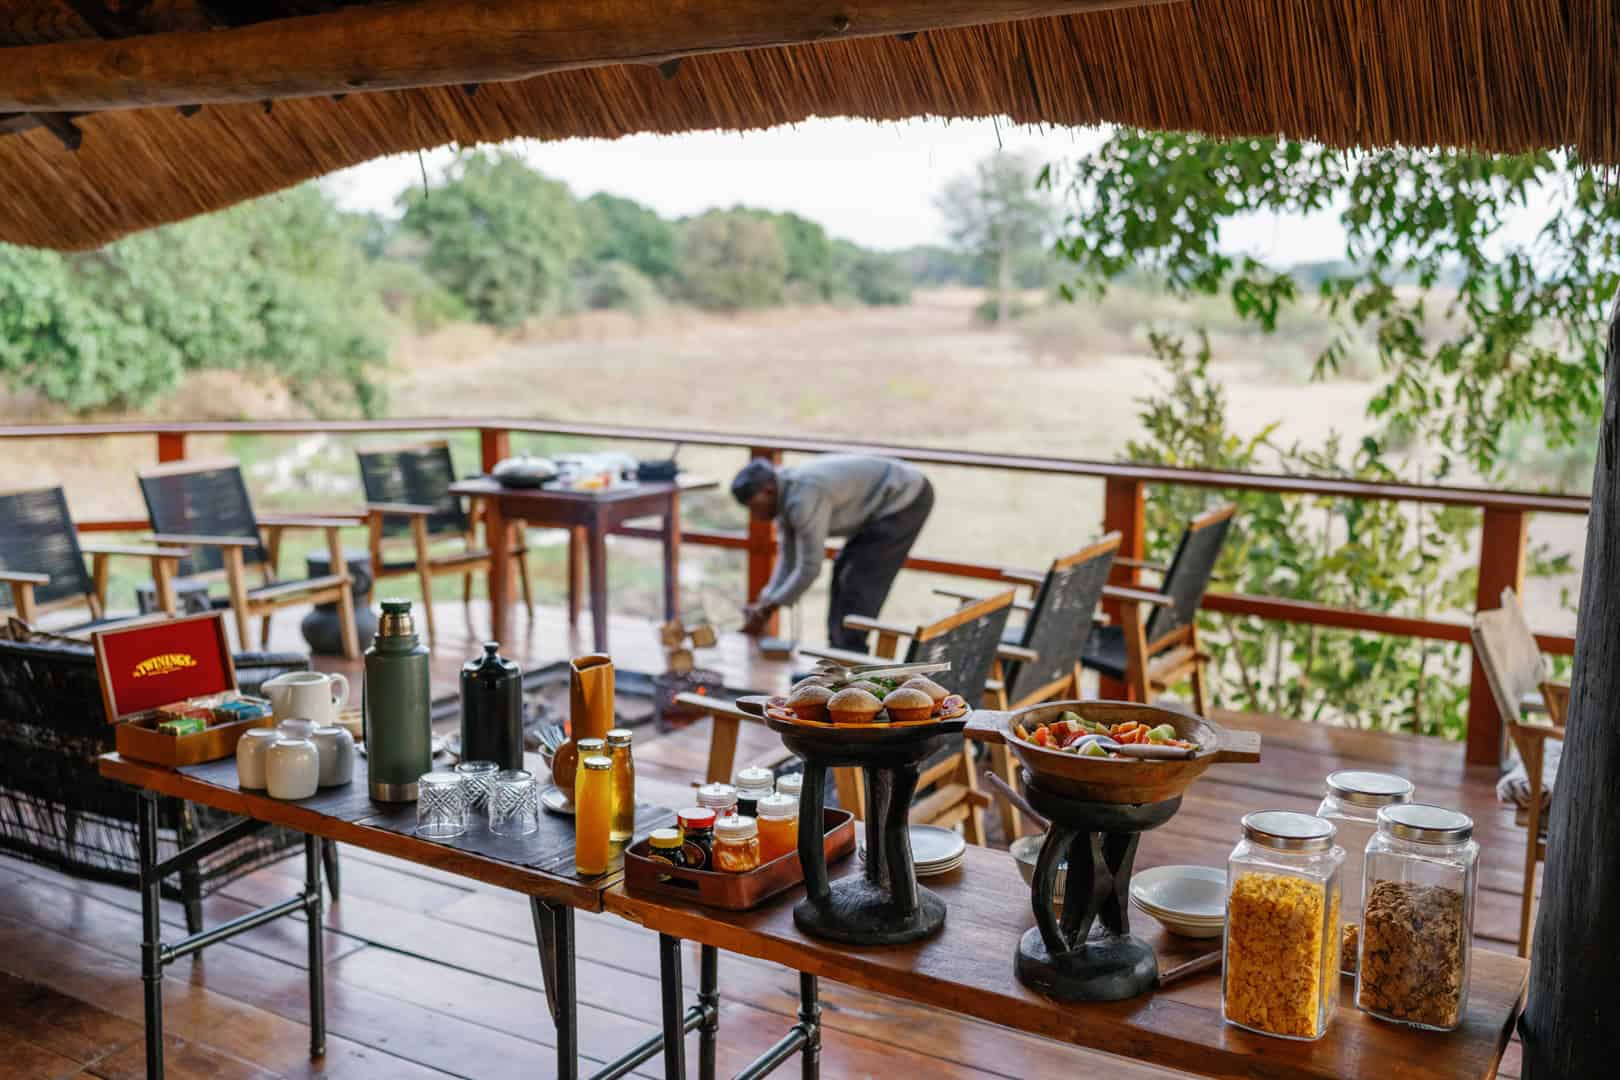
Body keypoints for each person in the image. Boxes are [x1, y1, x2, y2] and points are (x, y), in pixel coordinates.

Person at [733, 454, 933, 650]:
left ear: (767, 490)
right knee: (842, 568)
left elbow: (810, 568)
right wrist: (765, 601)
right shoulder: (784, 496)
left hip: (906, 497)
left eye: (753, 507)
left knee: (857, 580)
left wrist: (768, 609)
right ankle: (838, 659)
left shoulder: (804, 498)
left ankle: (850, 663)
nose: (755, 515)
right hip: (883, 502)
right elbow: (788, 559)